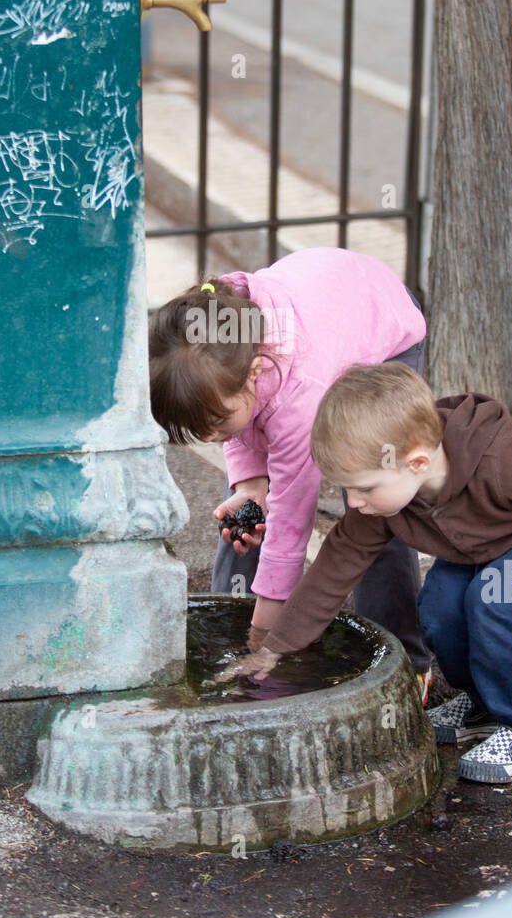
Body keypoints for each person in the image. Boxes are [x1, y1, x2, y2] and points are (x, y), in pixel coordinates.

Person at [218, 362, 512, 782]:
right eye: (345, 488)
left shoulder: (504, 458)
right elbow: (332, 570)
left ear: (418, 463)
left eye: (364, 488)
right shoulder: (385, 492)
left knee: (496, 608)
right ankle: (482, 705)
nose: (353, 503)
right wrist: (275, 648)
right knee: (440, 609)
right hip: (492, 542)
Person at [148, 247, 434, 697]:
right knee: (247, 512)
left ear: (254, 372)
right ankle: (227, 628)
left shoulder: (299, 395)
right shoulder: (220, 333)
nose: (210, 438)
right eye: (198, 428)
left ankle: (405, 662)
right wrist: (249, 484)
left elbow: (292, 526)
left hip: (384, 330)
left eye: (216, 424)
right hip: (317, 324)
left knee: (376, 505)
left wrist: (265, 639)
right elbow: (242, 426)